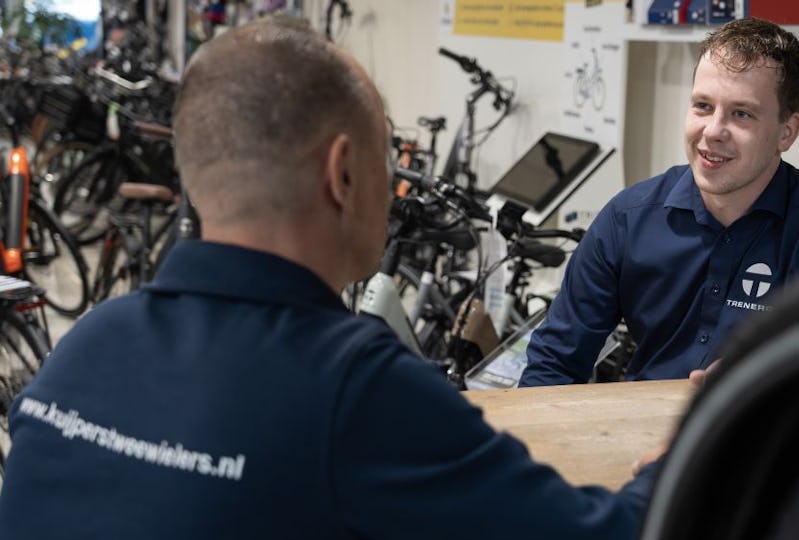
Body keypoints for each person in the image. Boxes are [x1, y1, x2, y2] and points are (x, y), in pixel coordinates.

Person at [0, 19, 658, 539]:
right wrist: (678, 456)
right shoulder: (359, 387)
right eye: (385, 155)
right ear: (342, 172)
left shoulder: (88, 341)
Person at [520, 17, 799, 387]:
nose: (713, 131)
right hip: (641, 420)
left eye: (742, 114)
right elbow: (554, 363)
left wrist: (772, 368)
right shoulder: (629, 218)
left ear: (786, 133)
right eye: (703, 106)